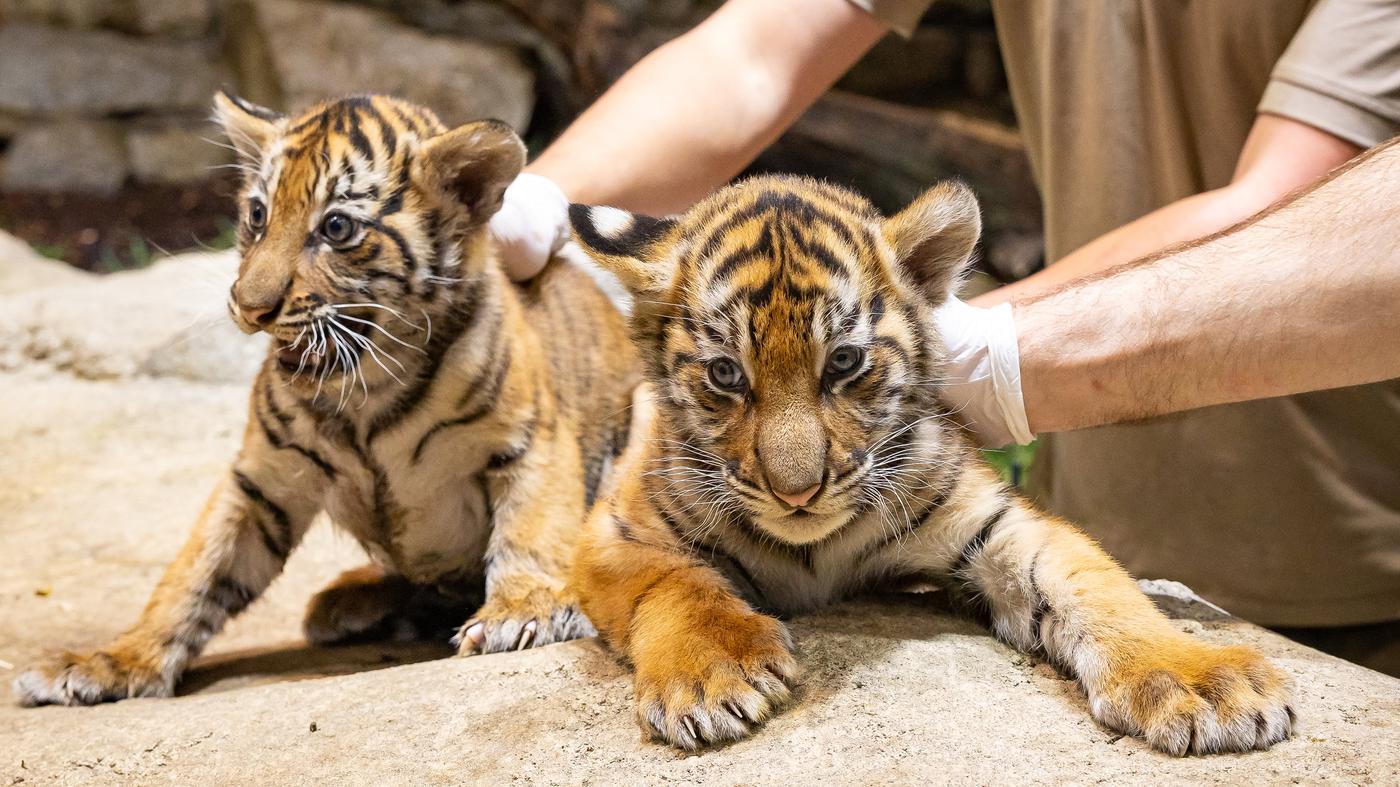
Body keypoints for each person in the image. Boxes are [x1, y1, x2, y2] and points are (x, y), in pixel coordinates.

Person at [487, 0, 1400, 675]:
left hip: (1344, 551)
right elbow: (752, 53)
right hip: (1101, 496)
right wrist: (507, 230)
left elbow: (1280, 199)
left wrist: (964, 345)